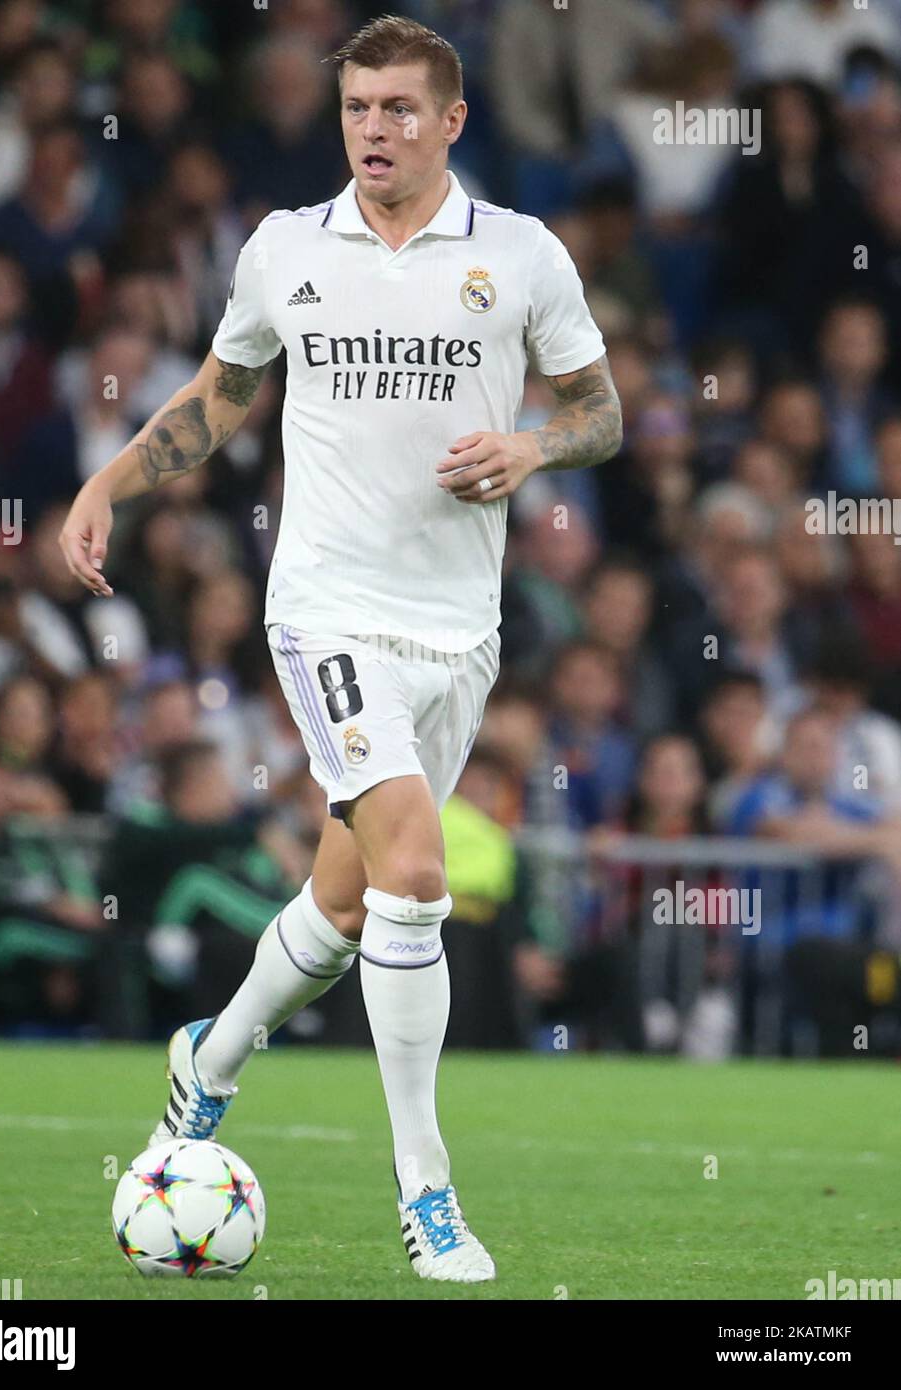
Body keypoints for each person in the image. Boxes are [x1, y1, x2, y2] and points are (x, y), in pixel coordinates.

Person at [58, 15, 620, 1283]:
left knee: (346, 901)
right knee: (416, 872)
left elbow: (599, 411)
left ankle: (206, 1061)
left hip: (455, 630)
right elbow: (218, 396)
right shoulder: (284, 249)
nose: (375, 129)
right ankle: (427, 1192)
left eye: (400, 110)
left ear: (451, 122)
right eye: (358, 108)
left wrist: (529, 446)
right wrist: (109, 480)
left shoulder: (521, 258)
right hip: (323, 610)